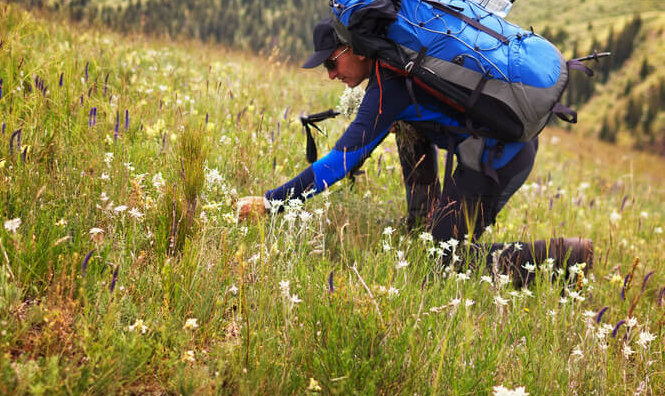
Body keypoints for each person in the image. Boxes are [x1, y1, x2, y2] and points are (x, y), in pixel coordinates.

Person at [237, 18, 592, 282]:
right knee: (404, 125)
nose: (330, 75)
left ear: (355, 49)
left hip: (499, 159)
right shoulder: (400, 65)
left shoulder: (390, 85)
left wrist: (270, 203)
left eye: (331, 63)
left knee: (443, 260)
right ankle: (421, 220)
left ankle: (566, 256)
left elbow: (338, 164)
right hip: (494, 148)